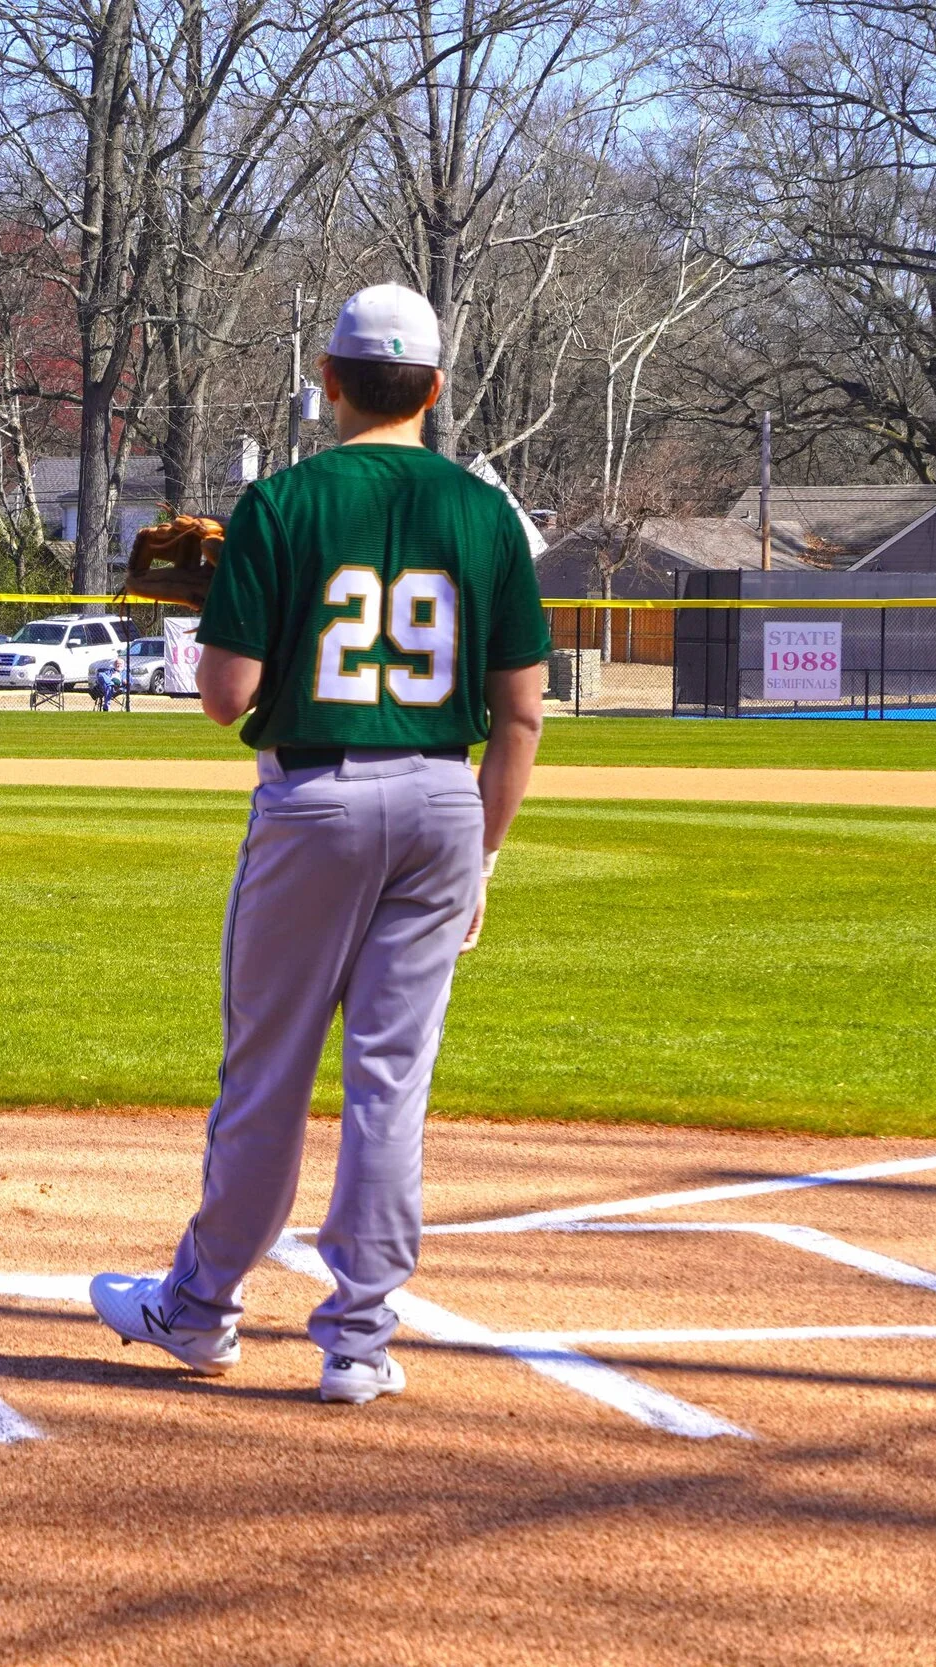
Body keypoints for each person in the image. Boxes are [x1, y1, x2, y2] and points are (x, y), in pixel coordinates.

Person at [88, 284, 550, 1407]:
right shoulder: (486, 514)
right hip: (444, 801)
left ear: (328, 382)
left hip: (317, 800)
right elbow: (523, 711)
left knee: (269, 1070)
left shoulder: (282, 500)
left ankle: (198, 1310)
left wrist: (234, 610)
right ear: (434, 390)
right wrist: (482, 855)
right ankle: (357, 1336)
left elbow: (224, 694)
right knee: (391, 1081)